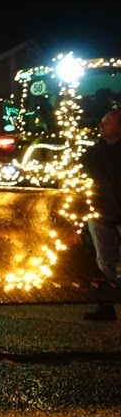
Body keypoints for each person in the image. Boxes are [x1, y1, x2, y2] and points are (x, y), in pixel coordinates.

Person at [82, 109, 121, 321]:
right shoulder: (94, 152)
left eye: (106, 123)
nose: (101, 126)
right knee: (103, 261)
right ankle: (105, 305)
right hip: (102, 213)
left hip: (113, 210)